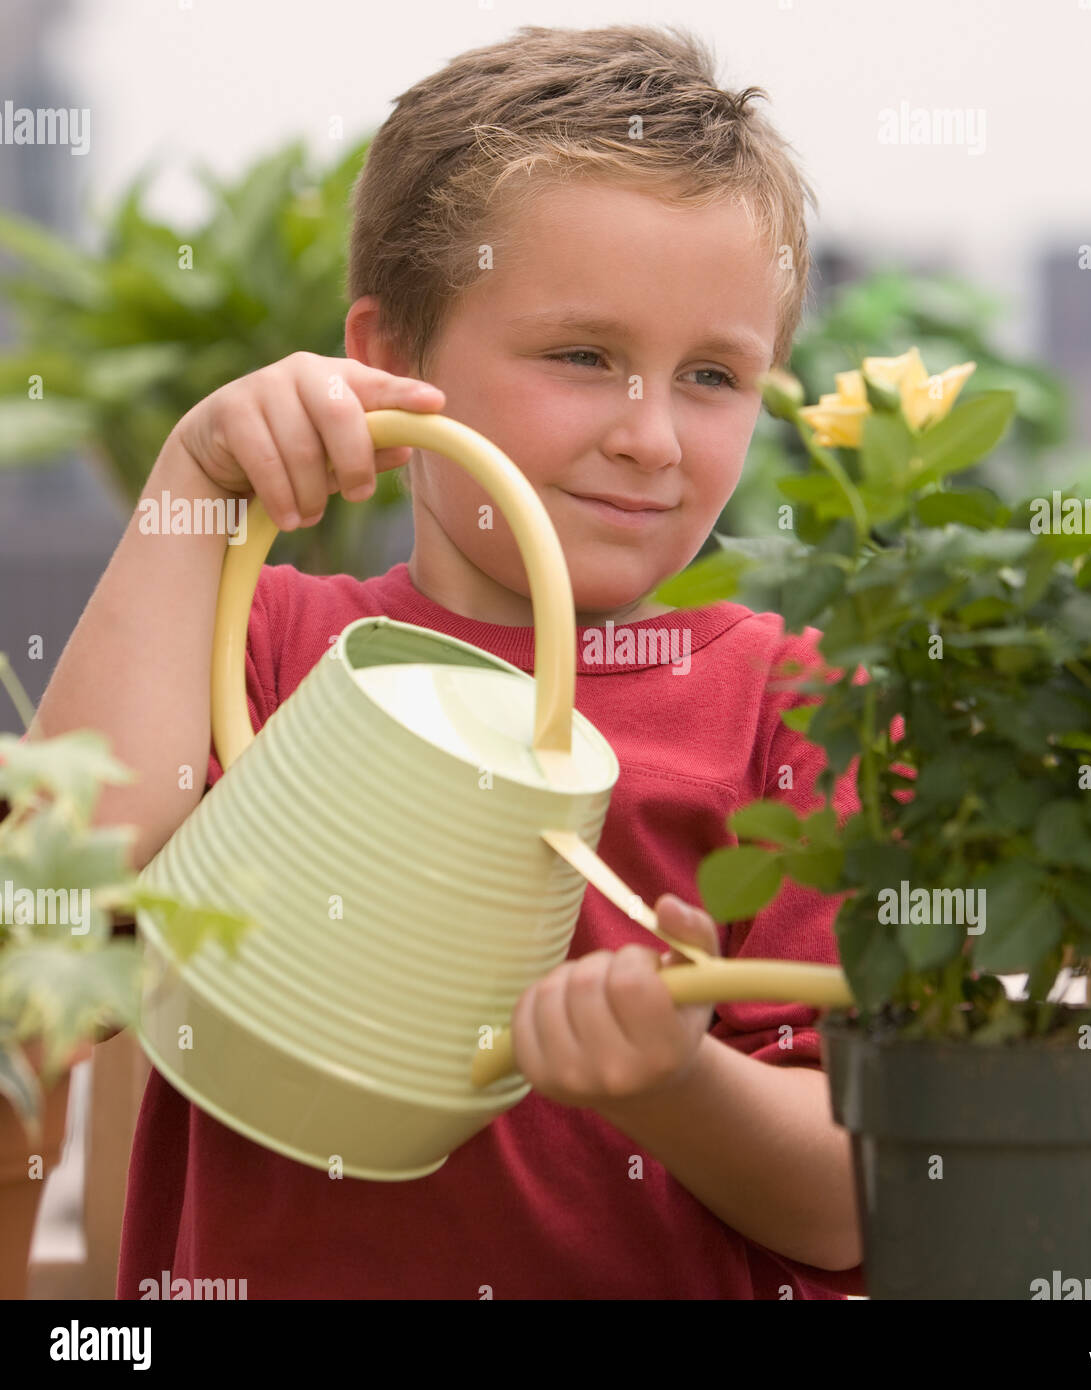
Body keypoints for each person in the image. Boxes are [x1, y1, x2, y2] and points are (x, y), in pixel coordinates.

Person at [34, 22, 866, 1299]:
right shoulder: (262, 645)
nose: (651, 435)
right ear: (388, 361)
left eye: (711, 374)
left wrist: (676, 1083)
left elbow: (850, 1207)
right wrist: (192, 484)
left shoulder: (797, 711)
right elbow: (52, 929)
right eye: (584, 356)